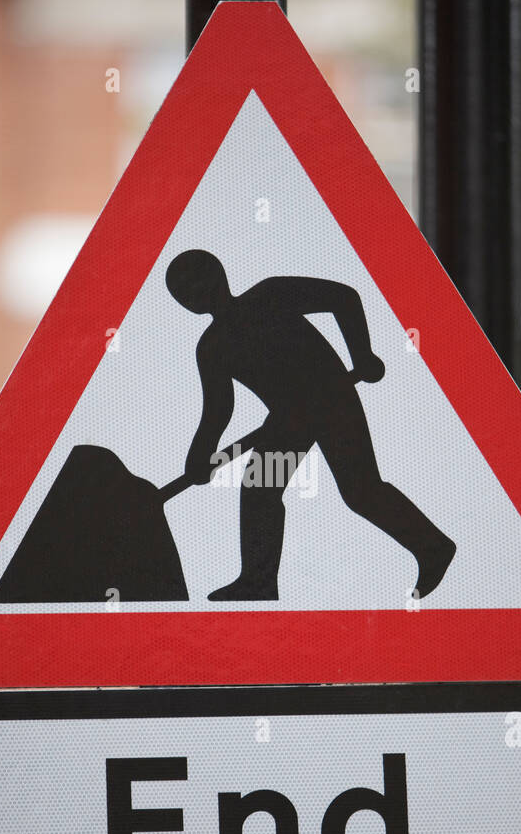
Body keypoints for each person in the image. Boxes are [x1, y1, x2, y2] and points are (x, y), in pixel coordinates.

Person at [166, 249, 455, 601]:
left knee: (361, 491)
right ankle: (258, 583)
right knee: (259, 490)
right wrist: (201, 454)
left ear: (219, 275)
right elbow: (219, 407)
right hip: (287, 420)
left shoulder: (269, 295)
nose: (194, 294)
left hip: (332, 399)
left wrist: (361, 354)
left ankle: (434, 547)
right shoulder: (211, 348)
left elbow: (343, 298)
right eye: (184, 291)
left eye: (197, 282)